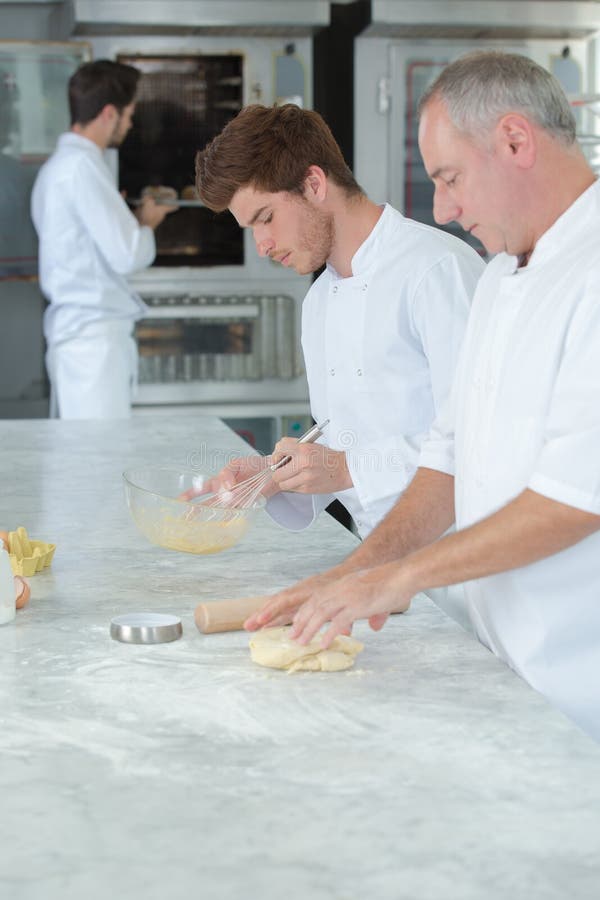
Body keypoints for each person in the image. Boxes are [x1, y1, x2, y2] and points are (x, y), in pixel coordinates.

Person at [248, 52, 600, 742]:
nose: (442, 207)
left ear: (516, 142)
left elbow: (573, 499)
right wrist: (350, 573)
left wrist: (399, 578)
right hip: (506, 670)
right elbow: (448, 458)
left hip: (582, 682)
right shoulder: (503, 276)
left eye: (450, 177)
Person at [194, 104, 484, 609]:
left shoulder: (436, 271)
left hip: (464, 578)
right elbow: (341, 436)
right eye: (250, 229)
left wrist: (348, 469)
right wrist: (269, 478)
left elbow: (480, 443)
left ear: (313, 183)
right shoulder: (319, 301)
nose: (262, 245)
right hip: (376, 577)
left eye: (265, 218)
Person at [31, 60, 174, 419]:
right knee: (98, 459)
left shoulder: (57, 168)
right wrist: (148, 223)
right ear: (108, 113)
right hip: (93, 342)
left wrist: (130, 219)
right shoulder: (83, 169)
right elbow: (128, 255)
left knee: (84, 455)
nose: (129, 124)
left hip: (78, 338)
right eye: (128, 115)